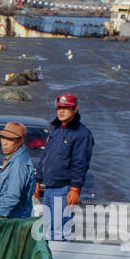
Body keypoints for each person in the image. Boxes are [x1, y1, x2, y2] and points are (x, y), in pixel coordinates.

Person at [36, 93, 94, 240]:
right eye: (59, 108)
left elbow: (80, 163)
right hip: (49, 189)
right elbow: (45, 157)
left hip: (64, 191)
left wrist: (75, 189)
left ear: (75, 109)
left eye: (66, 108)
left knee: (61, 233)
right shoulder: (55, 130)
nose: (61, 111)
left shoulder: (82, 134)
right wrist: (37, 180)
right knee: (48, 232)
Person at [0, 121, 38, 220]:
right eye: (3, 137)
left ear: (19, 142)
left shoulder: (18, 164)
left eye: (9, 139)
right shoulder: (13, 159)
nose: (4, 142)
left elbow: (12, 196)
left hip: (9, 221)